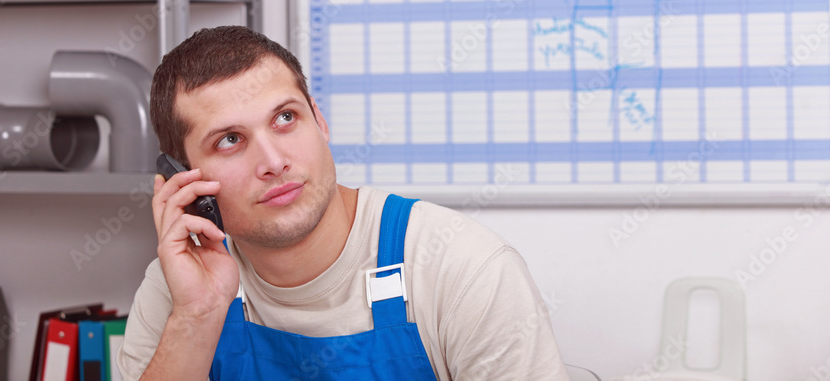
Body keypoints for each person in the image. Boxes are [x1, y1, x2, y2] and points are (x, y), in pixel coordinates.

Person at [117, 25, 571, 380]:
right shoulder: (180, 291)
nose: (273, 162)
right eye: (230, 140)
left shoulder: (461, 270)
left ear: (320, 120)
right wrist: (196, 317)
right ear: (182, 178)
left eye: (285, 118)